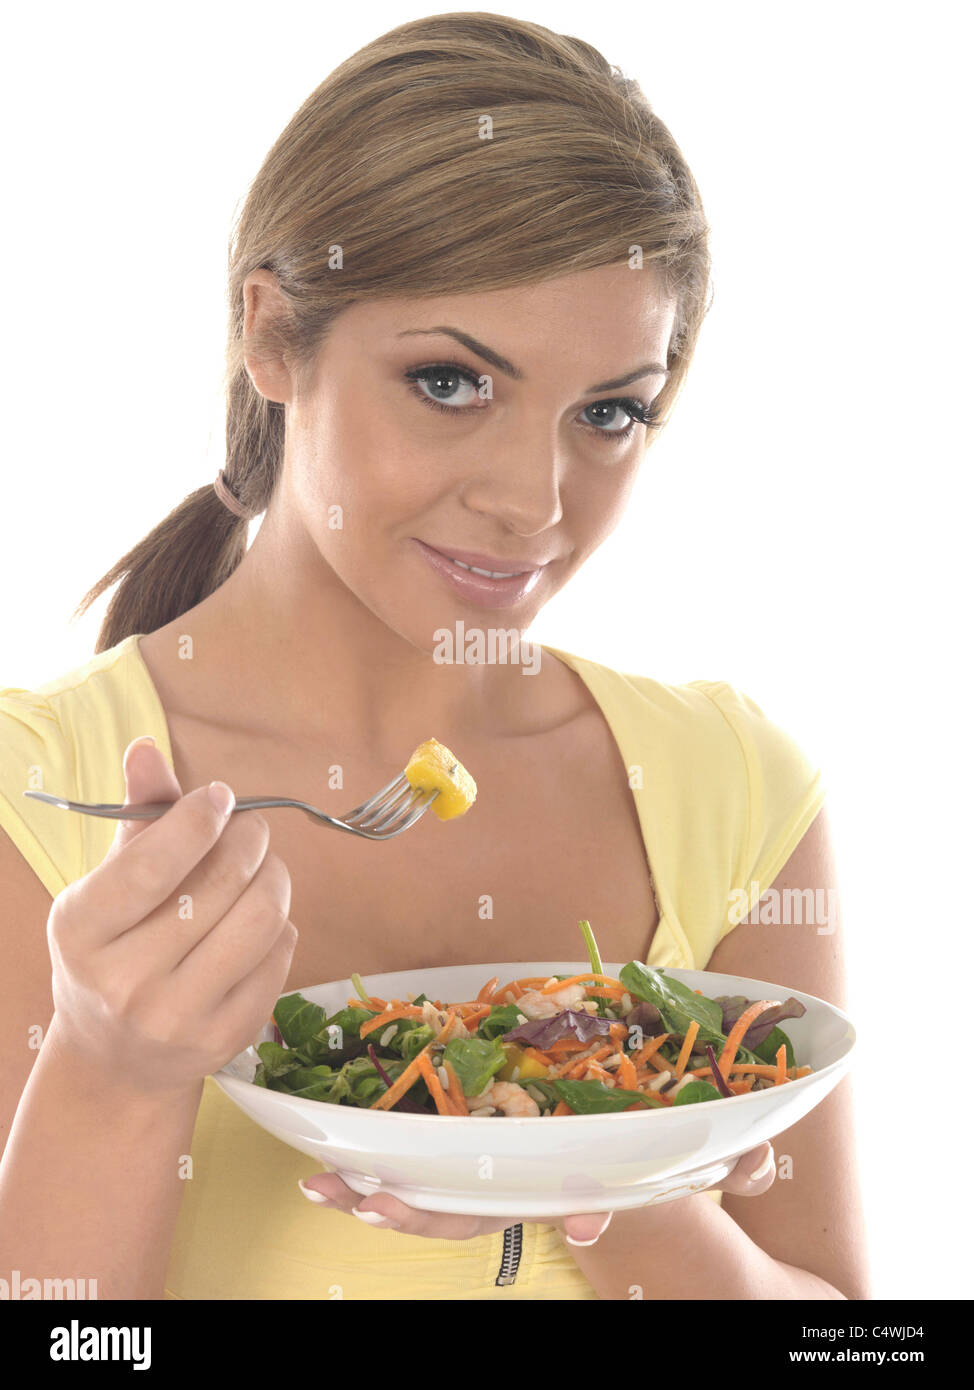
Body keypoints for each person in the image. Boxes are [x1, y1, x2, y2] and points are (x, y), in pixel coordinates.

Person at [0, 13, 869, 1300]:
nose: (534, 500)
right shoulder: (40, 795)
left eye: (609, 411)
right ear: (274, 335)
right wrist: (113, 1070)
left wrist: (601, 1180)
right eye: (453, 382)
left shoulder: (728, 784)